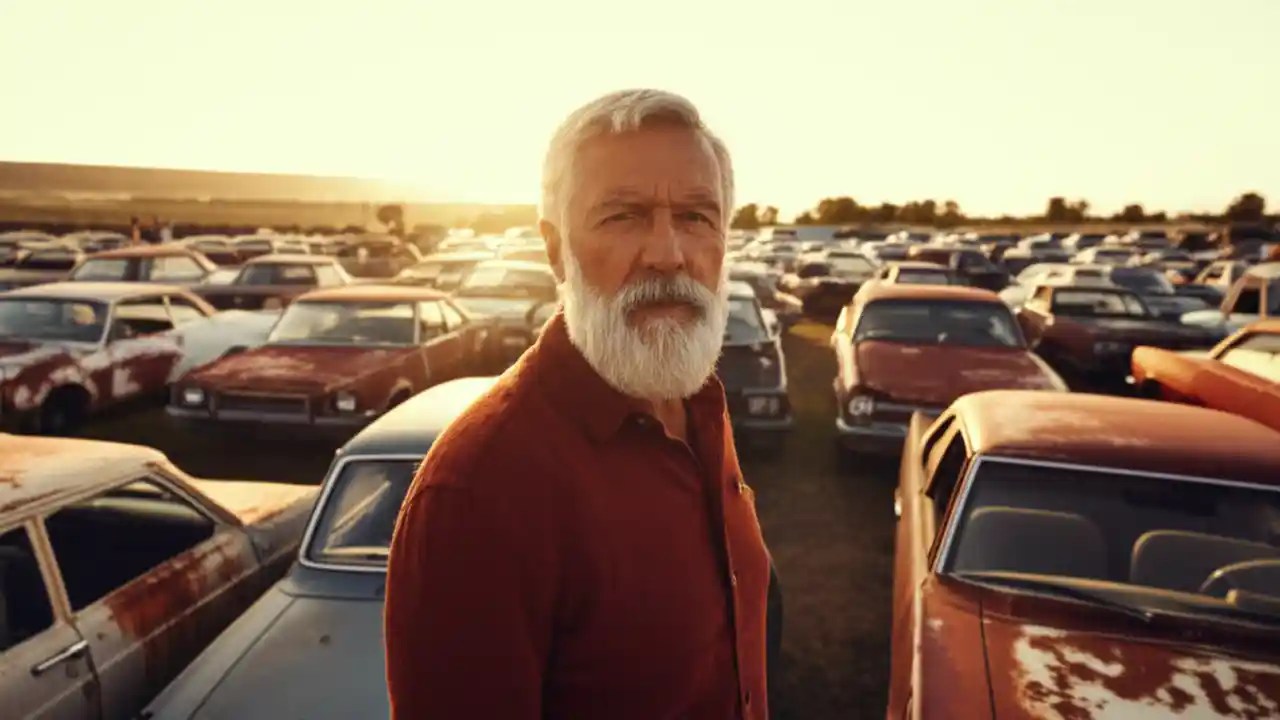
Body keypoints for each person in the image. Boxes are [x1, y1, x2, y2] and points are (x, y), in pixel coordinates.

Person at [385, 89, 771, 719]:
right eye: (623, 216)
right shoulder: (479, 490)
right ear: (555, 250)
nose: (668, 254)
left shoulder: (695, 400)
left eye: (697, 217)